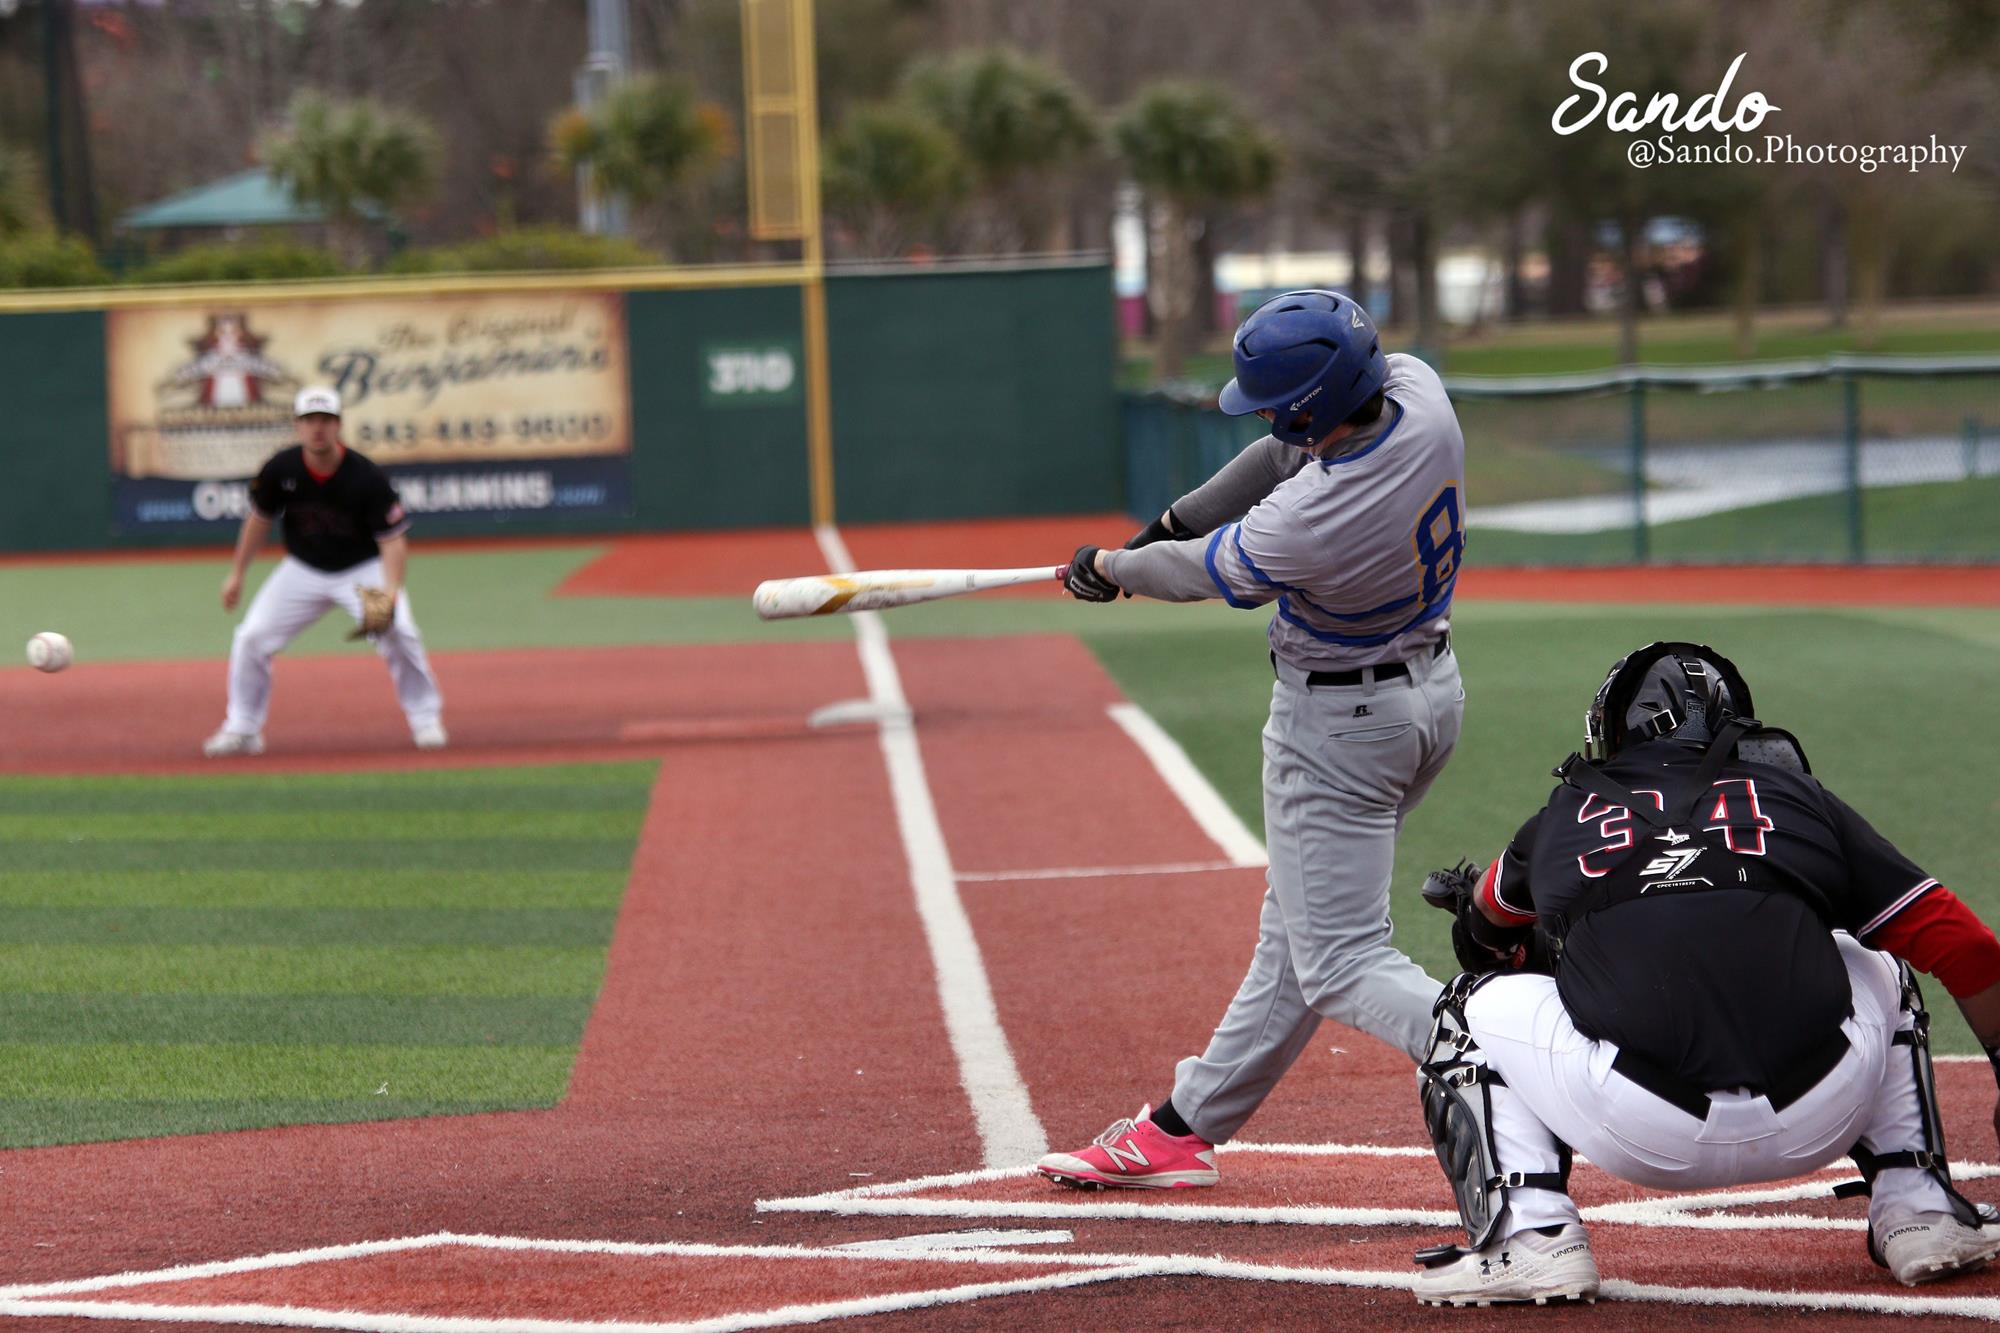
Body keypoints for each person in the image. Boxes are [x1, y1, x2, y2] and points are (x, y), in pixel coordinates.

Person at [1408, 642, 2000, 1306]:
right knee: (1880, 960)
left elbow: (1485, 934)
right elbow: (1963, 943)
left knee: (1464, 1004)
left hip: (1639, 1126)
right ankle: (1920, 1207)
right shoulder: (1798, 797)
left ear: (1615, 730)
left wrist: (1545, 941)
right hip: (1823, 1110)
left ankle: (1532, 1232)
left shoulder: (1560, 815)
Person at [1037, 289, 1467, 1189]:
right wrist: (1167, 521)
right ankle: (1185, 1126)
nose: (1270, 419)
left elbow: (1199, 572)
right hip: (1425, 699)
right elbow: (1275, 454)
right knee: (1299, 935)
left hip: (1339, 730)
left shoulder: (1310, 519)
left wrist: (1114, 566)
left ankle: (1513, 1058)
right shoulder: (1418, 392)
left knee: (1342, 963)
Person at [203, 386, 447, 756]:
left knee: (399, 631)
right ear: (298, 426)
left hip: (361, 570)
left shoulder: (365, 476)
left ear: (338, 426)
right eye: (310, 420)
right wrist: (237, 573)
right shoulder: (281, 468)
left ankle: (425, 718)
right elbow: (258, 520)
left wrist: (391, 590)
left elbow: (393, 540)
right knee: (251, 638)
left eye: (326, 420)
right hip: (303, 569)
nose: (318, 428)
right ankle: (243, 728)